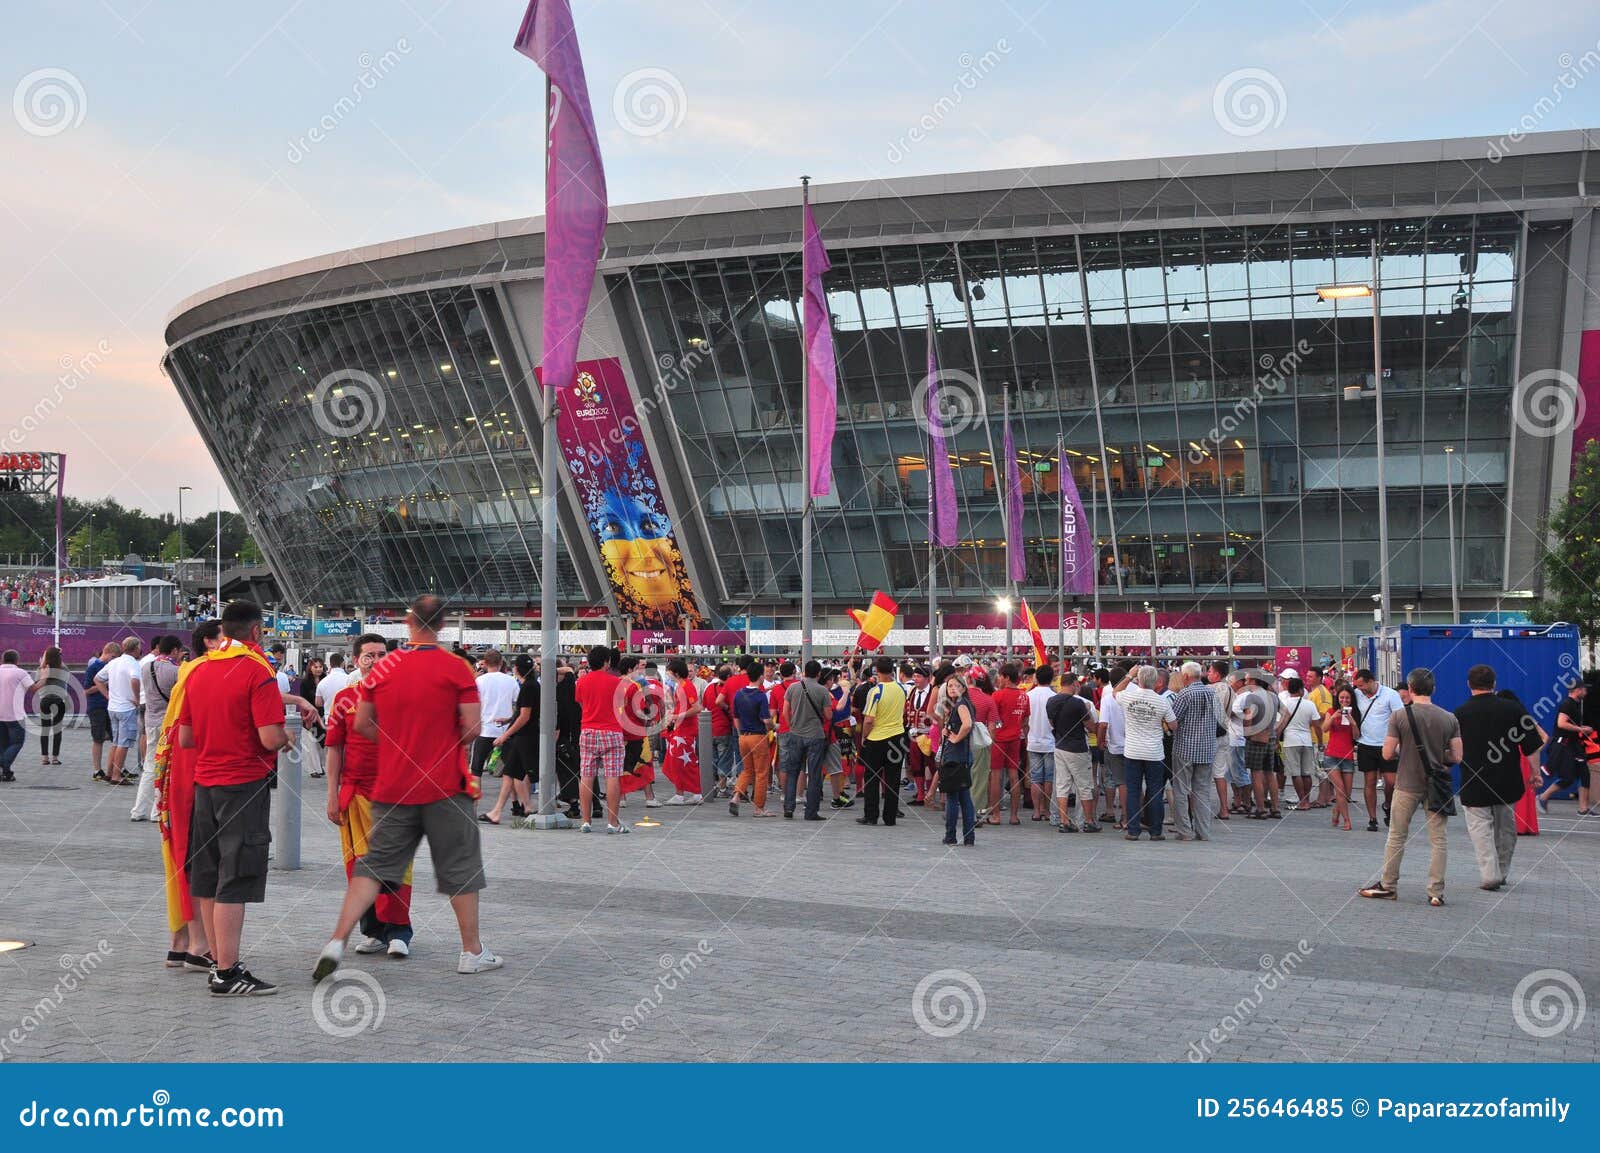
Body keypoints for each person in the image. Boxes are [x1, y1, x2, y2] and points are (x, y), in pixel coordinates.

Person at [315, 595, 500, 980]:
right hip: (444, 783)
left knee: (374, 866)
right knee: (459, 868)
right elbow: (472, 729)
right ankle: (471, 951)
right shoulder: (456, 668)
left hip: (391, 785)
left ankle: (337, 940)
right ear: (443, 625)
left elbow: (364, 725)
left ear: (407, 622)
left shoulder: (385, 672)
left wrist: (397, 740)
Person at [177, 601, 292, 995]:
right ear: (257, 632)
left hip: (204, 783)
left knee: (207, 874)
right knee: (236, 876)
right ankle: (228, 972)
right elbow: (269, 737)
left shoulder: (199, 670)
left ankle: (214, 959)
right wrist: (286, 736)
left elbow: (186, 738)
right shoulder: (258, 671)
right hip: (243, 784)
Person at [323, 633, 414, 956]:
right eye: (368, 655)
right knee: (359, 867)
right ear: (356, 660)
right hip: (355, 795)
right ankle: (373, 930)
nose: (376, 661)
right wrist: (331, 794)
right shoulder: (344, 699)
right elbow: (334, 748)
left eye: (381, 654)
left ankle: (399, 932)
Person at [152, 620, 223, 972]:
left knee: (180, 853)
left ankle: (181, 942)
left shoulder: (190, 670)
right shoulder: (205, 669)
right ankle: (199, 945)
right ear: (209, 642)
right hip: (193, 766)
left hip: (176, 766)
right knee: (198, 857)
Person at [1359, 667, 1462, 907]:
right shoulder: (1449, 718)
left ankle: (1388, 885)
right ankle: (1436, 891)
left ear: (1411, 688)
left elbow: (1386, 752)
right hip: (1436, 785)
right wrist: (1436, 753)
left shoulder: (1399, 717)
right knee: (1439, 839)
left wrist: (1402, 750)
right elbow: (1457, 756)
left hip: (1406, 783)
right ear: (1433, 688)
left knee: (1396, 836)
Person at [1454, 664, 1543, 891]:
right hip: (1507, 781)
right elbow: (1532, 746)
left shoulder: (1459, 713)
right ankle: (1502, 872)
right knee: (1506, 830)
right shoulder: (1513, 709)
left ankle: (1489, 874)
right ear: (1494, 684)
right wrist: (1535, 773)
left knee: (1480, 832)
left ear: (1468, 685)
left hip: (1473, 782)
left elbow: (1453, 751)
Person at [573, 646, 628, 833]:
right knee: (612, 776)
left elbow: (581, 704)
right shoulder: (616, 682)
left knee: (586, 776)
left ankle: (586, 821)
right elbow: (623, 707)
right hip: (611, 731)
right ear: (607, 661)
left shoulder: (581, 681)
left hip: (588, 730)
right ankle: (613, 823)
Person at [1118, 666, 1175, 841]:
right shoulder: (1161, 701)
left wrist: (1129, 675)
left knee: (1133, 791)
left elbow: (1115, 691)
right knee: (1155, 791)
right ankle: (1156, 831)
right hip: (1154, 752)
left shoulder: (1128, 697)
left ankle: (1133, 830)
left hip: (1133, 751)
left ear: (1139, 680)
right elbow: (1173, 725)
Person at [130, 635, 181, 821]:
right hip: (168, 724)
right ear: (174, 650)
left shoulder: (145, 667)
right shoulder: (176, 671)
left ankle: (138, 809)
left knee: (150, 766)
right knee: (167, 767)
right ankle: (157, 810)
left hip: (150, 719)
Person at [482, 655, 536, 825]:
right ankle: (523, 808)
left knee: (512, 773)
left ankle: (515, 809)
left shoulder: (527, 687)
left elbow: (524, 716)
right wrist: (507, 721)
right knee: (511, 773)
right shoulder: (533, 685)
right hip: (525, 735)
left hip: (523, 736)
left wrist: (505, 735)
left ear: (516, 669)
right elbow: (522, 713)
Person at [1169, 661, 1219, 841]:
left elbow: (1173, 720)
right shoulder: (1213, 693)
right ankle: (1204, 831)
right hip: (1207, 748)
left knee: (1181, 790)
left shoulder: (1184, 694)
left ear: (1185, 676)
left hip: (1185, 748)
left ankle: (1185, 831)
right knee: (1203, 791)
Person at [857, 656, 909, 827]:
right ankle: (890, 817)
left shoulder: (876, 691)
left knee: (872, 778)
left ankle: (871, 815)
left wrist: (864, 736)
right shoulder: (901, 689)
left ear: (876, 671)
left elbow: (869, 719)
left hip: (877, 739)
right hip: (897, 737)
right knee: (893, 779)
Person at [779, 660, 833, 820]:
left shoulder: (792, 687)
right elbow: (829, 715)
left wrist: (792, 726)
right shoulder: (822, 691)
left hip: (796, 734)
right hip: (815, 736)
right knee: (814, 774)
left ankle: (788, 807)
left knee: (792, 771)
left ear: (804, 672)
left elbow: (785, 712)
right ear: (819, 674)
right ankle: (811, 812)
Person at [1046, 672, 1099, 833]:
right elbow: (1091, 727)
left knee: (1062, 785)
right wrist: (1089, 712)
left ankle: (1063, 821)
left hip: (1060, 745)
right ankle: (1089, 821)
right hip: (1077, 747)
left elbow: (1051, 723)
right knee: (1084, 785)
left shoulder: (1051, 701)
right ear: (1074, 683)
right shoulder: (1078, 703)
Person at [1353, 668, 1402, 831]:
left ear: (1371, 681)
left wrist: (1399, 743)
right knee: (1370, 781)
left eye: (1362, 685)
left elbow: (1400, 718)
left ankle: (1388, 805)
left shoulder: (1390, 695)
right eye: (1357, 686)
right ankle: (1372, 818)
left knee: (1391, 782)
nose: (1360, 689)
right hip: (1366, 744)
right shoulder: (1358, 694)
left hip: (1387, 744)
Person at [1535, 679, 1595, 814]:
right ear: (1578, 690)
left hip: (1574, 745)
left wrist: (1581, 729)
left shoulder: (1576, 704)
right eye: (1584, 689)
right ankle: (1542, 797)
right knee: (1568, 777)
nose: (1586, 691)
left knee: (1584, 774)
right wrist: (1581, 729)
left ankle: (1583, 809)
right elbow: (1561, 723)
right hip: (1564, 745)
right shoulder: (1567, 704)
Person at [471, 650, 521, 810]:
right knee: (510, 770)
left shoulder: (479, 682)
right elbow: (518, 706)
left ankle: (474, 805)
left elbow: (473, 705)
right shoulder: (511, 681)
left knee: (476, 770)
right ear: (501, 663)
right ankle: (515, 803)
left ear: (484, 663)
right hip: (505, 731)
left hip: (485, 729)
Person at [935, 673, 977, 846]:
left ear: (963, 688)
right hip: (962, 755)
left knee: (952, 797)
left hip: (956, 756)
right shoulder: (961, 704)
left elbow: (967, 724)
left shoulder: (960, 704)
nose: (952, 689)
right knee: (965, 797)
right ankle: (969, 836)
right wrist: (948, 732)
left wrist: (955, 738)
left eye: (956, 686)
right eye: (950, 686)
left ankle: (951, 835)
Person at [97, 636, 144, 785]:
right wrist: (136, 698)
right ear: (136, 648)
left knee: (116, 742)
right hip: (126, 707)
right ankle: (117, 775)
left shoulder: (114, 662)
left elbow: (98, 679)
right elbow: (135, 679)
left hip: (113, 707)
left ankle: (110, 772)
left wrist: (108, 695)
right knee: (124, 743)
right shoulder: (133, 663)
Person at [730, 663, 774, 817]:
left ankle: (736, 796)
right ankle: (759, 808)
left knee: (747, 770)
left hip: (743, 736)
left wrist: (740, 732)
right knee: (761, 773)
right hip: (758, 737)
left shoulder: (739, 693)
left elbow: (735, 716)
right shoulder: (760, 695)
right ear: (760, 676)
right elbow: (766, 720)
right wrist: (774, 727)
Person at [1236, 672, 1280, 819]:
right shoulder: (1273, 696)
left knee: (1256, 773)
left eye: (1248, 679)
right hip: (1271, 737)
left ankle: (1260, 808)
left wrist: (1247, 733)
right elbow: (1285, 713)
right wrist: (1277, 731)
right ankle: (1275, 807)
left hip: (1256, 738)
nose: (1245, 682)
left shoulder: (1251, 697)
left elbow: (1248, 718)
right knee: (1270, 773)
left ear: (1254, 681)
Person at [1276, 670, 1322, 812]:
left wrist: (1276, 739)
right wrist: (1320, 742)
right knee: (1306, 773)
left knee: (1295, 773)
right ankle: (1306, 800)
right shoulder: (1309, 704)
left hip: (1290, 741)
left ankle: (1302, 801)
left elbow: (1280, 725)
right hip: (1307, 741)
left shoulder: (1284, 704)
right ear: (1301, 690)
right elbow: (1317, 726)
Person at [988, 663, 1028, 825]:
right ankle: (1014, 816)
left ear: (1006, 677)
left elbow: (992, 720)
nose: (998, 679)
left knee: (996, 777)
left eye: (1000, 676)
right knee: (1013, 776)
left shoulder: (997, 696)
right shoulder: (1024, 696)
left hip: (998, 740)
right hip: (1015, 739)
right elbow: (1025, 720)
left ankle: (996, 816)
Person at [661, 658, 704, 805]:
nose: (668, 675)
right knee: (681, 762)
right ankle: (692, 793)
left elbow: (697, 707)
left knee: (682, 762)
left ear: (677, 673)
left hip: (685, 730)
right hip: (681, 729)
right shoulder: (681, 686)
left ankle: (683, 794)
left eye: (670, 672)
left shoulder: (686, 686)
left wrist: (678, 716)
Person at [1024, 665, 1059, 823]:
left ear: (1036, 677)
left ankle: (1036, 811)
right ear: (1052, 678)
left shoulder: (1028, 696)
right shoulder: (1054, 696)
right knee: (1049, 778)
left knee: (1036, 778)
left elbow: (1024, 721)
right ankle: (1046, 810)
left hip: (1033, 740)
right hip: (1051, 742)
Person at [1322, 685, 1360, 831]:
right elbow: (1324, 728)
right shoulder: (1332, 711)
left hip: (1348, 756)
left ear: (1352, 700)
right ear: (1337, 699)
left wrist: (1353, 722)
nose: (1344, 701)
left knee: (1347, 793)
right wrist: (1333, 717)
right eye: (1342, 698)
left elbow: (1356, 737)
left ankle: (1337, 810)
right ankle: (1347, 820)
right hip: (1332, 755)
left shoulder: (1354, 714)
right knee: (1340, 790)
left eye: (1347, 698)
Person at [84, 641, 118, 779]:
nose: (115, 660)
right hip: (97, 706)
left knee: (117, 739)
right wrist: (103, 684)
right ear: (108, 653)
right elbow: (86, 690)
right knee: (98, 739)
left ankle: (117, 766)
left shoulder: (112, 666)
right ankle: (97, 770)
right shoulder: (94, 667)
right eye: (114, 656)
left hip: (112, 706)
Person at [31, 647, 71, 766]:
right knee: (57, 730)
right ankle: (55, 758)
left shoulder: (41, 669)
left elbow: (36, 683)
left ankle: (44, 758)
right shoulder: (64, 668)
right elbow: (66, 682)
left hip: (45, 701)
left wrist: (45, 660)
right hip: (59, 701)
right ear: (59, 657)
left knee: (45, 730)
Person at [0, 650, 32, 783]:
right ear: (17, 660)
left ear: (3, 659)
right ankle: (2, 764)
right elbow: (34, 688)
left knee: (2, 745)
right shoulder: (20, 673)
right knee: (17, 742)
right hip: (15, 715)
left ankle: (6, 773)